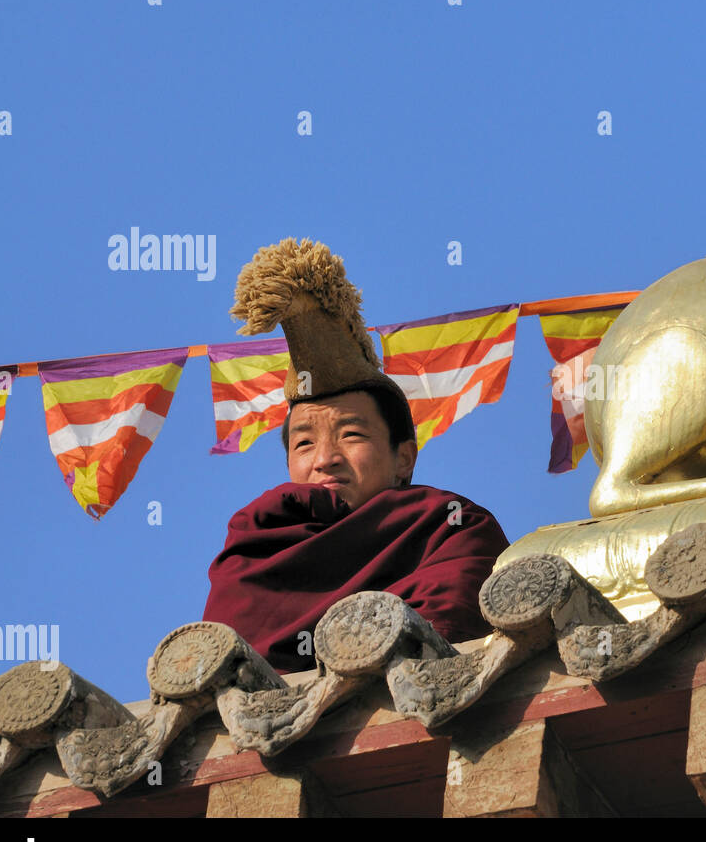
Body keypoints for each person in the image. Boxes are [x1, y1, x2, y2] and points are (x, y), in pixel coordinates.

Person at [201, 238, 508, 672]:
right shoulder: (256, 543)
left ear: (404, 458)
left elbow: (441, 644)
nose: (325, 458)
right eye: (304, 443)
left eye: (351, 434)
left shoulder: (447, 526)